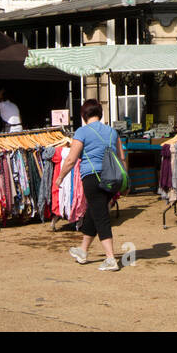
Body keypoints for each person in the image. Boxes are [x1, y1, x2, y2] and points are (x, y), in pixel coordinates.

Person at [58, 99, 127, 272]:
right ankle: (82, 250)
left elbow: (71, 159)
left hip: (92, 177)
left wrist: (60, 177)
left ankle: (110, 258)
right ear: (100, 113)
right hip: (112, 178)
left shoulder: (82, 132)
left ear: (84, 115)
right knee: (93, 212)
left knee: (100, 215)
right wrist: (124, 180)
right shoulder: (112, 132)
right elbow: (122, 157)